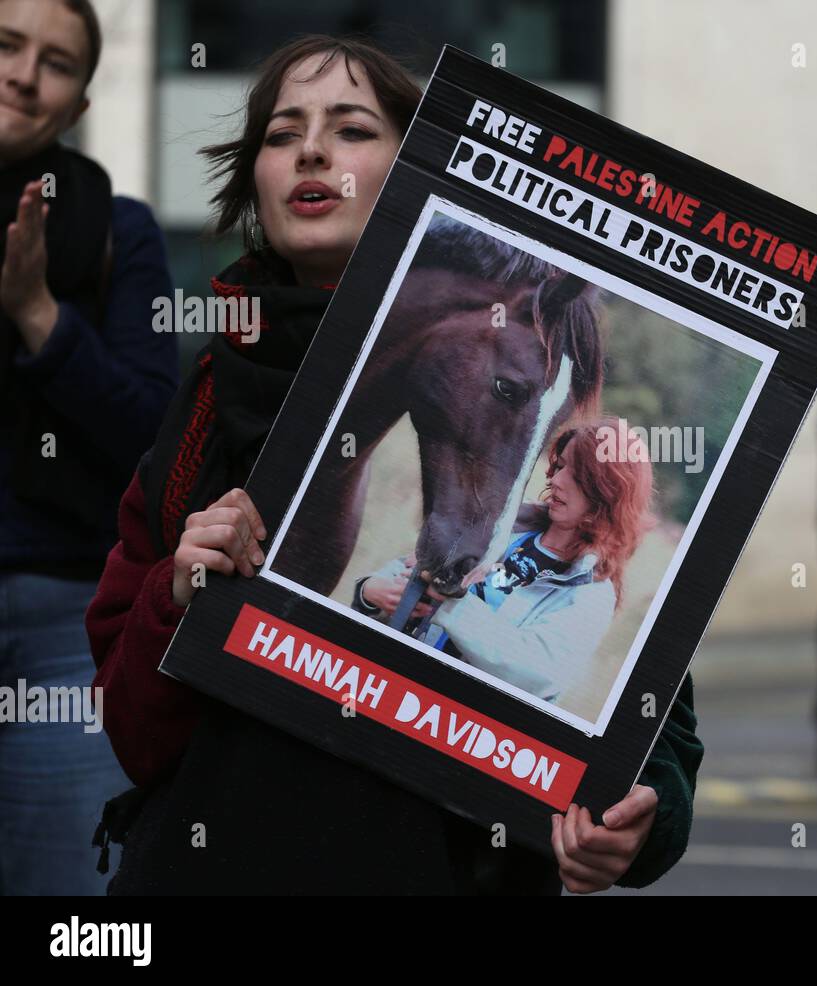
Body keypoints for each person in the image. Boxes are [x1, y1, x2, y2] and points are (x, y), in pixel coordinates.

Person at [86, 36, 702, 895]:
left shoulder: (528, 420)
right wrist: (176, 598)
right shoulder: (203, 403)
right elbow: (131, 732)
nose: (310, 150)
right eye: (280, 133)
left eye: (351, 129)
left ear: (416, 169)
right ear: (255, 181)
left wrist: (641, 822)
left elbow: (653, 740)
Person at [0, 0, 175, 894]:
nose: (25, 74)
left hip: (63, 627)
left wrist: (37, 313)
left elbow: (153, 436)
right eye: (6, 45)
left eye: (57, 64)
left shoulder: (119, 230)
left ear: (76, 107)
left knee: (74, 912)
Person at [356, 418, 654, 705]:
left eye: (577, 474)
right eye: (560, 465)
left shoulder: (592, 593)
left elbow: (536, 672)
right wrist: (370, 592)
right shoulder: (497, 528)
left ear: (608, 491)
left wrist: (450, 602)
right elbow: (403, 572)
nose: (556, 479)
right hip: (391, 688)